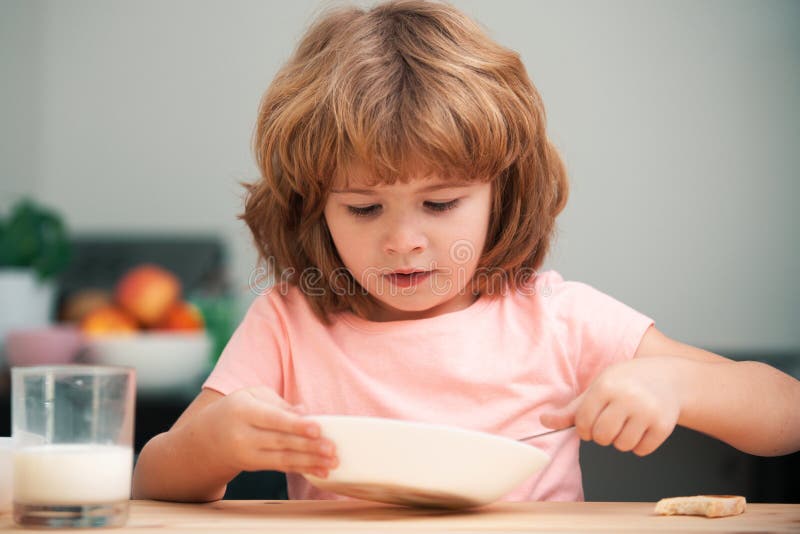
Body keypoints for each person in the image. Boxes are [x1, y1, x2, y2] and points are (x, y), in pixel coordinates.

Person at [132, 0, 800, 503]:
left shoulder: (555, 319)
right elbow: (153, 480)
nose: (403, 240)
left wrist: (675, 384)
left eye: (442, 203)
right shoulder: (288, 323)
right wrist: (214, 445)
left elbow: (785, 416)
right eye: (363, 208)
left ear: (501, 194)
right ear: (314, 207)